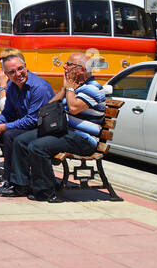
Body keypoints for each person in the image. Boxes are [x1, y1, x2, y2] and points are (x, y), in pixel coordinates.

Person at [21, 53, 107, 202]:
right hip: (67, 133)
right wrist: (63, 89)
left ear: (81, 69)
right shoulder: (74, 87)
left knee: (37, 147)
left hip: (83, 140)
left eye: (69, 64)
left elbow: (73, 108)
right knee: (21, 140)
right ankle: (22, 184)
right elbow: (49, 106)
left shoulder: (93, 88)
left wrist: (70, 90)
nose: (64, 67)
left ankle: (47, 191)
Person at [0, 53, 59, 197]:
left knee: (10, 135)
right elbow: (8, 112)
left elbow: (32, 120)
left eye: (20, 69)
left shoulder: (39, 87)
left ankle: (15, 183)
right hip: (28, 126)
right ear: (6, 75)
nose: (18, 74)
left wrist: (3, 127)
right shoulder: (11, 86)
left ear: (26, 66)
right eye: (12, 72)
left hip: (44, 127)